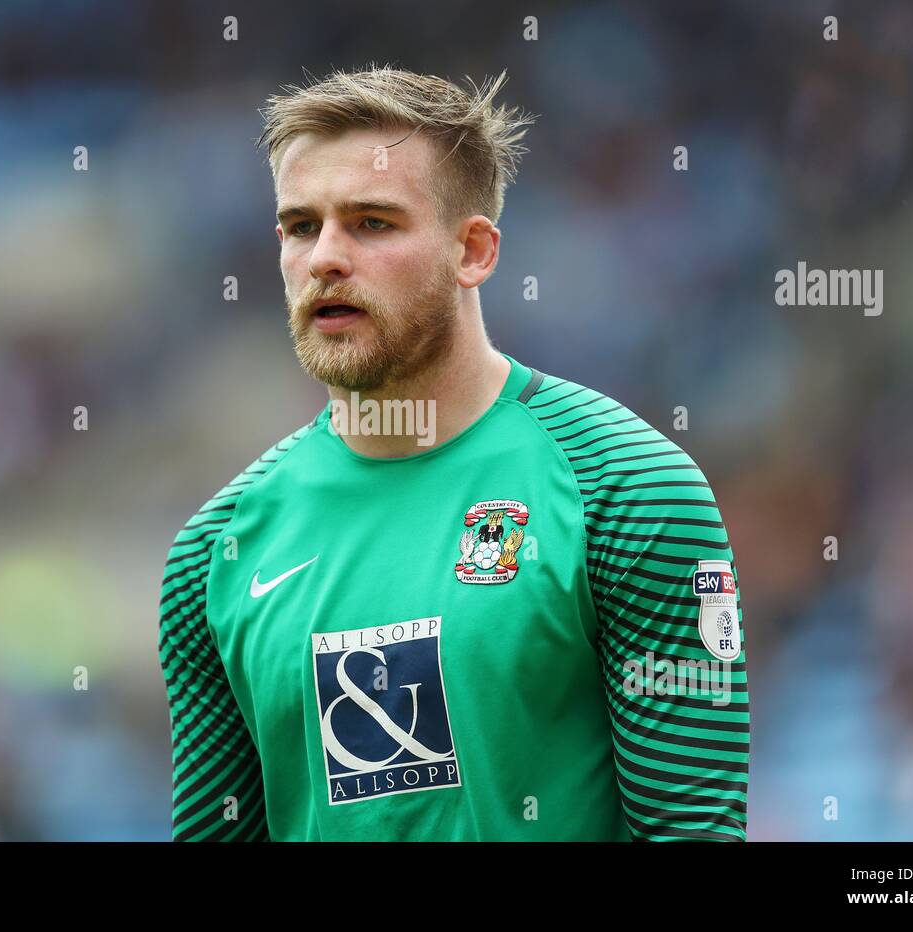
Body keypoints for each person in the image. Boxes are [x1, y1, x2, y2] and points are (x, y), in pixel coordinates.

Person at [158, 65, 748, 841]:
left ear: (473, 250)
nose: (326, 258)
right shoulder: (217, 550)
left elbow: (691, 833)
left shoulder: (627, 488)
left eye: (372, 223)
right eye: (302, 226)